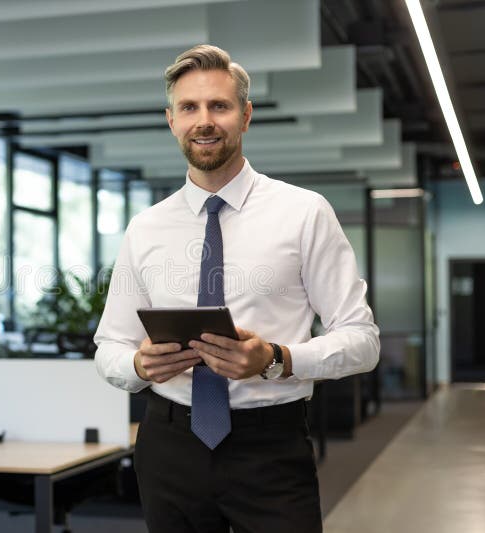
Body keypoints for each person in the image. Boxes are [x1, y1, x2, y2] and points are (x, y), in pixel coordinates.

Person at [94, 44, 379, 533]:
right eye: (189, 107)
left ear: (245, 116)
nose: (204, 120)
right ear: (171, 120)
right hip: (169, 443)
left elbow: (362, 340)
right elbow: (109, 347)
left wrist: (276, 359)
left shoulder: (304, 213)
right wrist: (138, 365)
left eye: (219, 106)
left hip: (268, 448)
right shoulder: (145, 227)